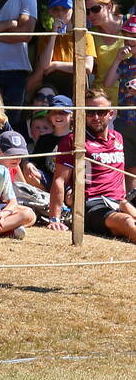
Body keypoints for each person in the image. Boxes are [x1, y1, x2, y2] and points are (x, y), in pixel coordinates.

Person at [46, 90, 136, 242]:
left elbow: (119, 175)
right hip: (92, 204)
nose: (95, 117)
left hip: (120, 202)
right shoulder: (74, 140)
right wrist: (54, 218)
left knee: (127, 216)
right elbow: (59, 180)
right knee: (127, 223)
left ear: (111, 113)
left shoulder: (118, 138)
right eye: (90, 112)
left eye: (100, 112)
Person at [27, 0, 95, 98]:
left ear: (73, 9)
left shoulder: (85, 36)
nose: (60, 13)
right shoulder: (46, 37)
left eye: (65, 9)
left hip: (76, 88)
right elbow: (44, 64)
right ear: (50, 11)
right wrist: (54, 34)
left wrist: (56, 65)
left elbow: (87, 68)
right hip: (52, 89)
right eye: (55, 9)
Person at [104, 15, 136, 169]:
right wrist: (117, 59)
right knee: (128, 166)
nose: (129, 41)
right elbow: (108, 83)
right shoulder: (124, 63)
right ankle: (131, 193)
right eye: (126, 37)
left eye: (133, 37)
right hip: (124, 122)